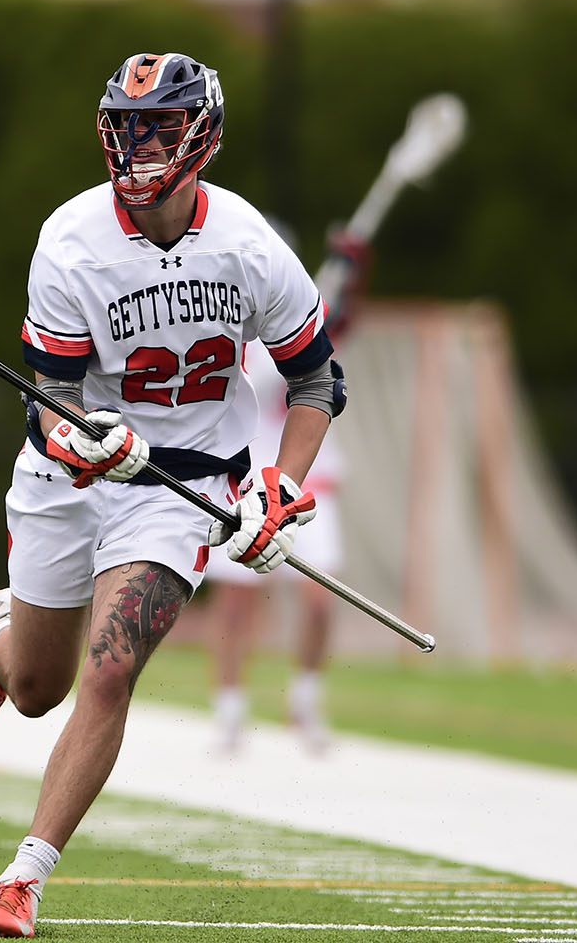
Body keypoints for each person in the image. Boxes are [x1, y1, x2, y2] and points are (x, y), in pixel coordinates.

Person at [0, 52, 346, 937]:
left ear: (200, 134)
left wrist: (279, 485)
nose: (139, 145)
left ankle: (23, 878)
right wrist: (85, 437)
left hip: (184, 488)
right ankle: (1, 632)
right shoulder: (71, 239)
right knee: (37, 691)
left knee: (112, 667)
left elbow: (318, 381)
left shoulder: (247, 245)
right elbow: (42, 401)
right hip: (71, 476)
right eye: (128, 126)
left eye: (159, 127)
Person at [205, 226, 368, 756]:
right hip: (246, 472)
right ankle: (229, 708)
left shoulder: (293, 307)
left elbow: (333, 333)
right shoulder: (219, 324)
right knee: (236, 603)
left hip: (303, 474)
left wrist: (349, 274)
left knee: (321, 600)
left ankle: (305, 699)